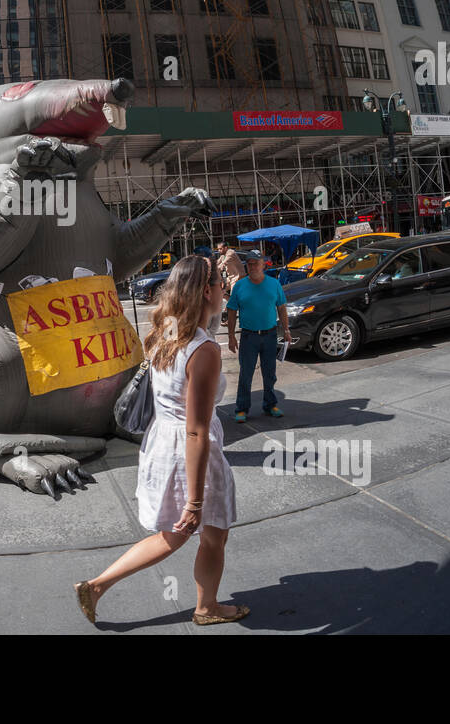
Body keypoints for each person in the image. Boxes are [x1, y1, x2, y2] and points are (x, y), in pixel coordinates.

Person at [74, 255, 244, 626]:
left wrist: (224, 271)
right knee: (207, 534)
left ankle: (99, 586)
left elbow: (205, 322)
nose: (223, 290)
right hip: (191, 448)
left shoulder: (167, 330)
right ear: (205, 291)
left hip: (162, 442)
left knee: (176, 534)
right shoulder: (204, 351)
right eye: (219, 285)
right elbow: (197, 428)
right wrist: (195, 499)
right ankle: (206, 607)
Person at [225, 249, 290, 423]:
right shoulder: (239, 286)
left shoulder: (273, 284)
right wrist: (231, 336)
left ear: (263, 264)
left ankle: (270, 405)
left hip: (269, 335)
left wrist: (287, 330)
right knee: (245, 374)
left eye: (255, 263)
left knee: (270, 374)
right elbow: (231, 311)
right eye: (249, 263)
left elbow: (281, 307)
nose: (252, 266)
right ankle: (241, 409)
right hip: (248, 337)